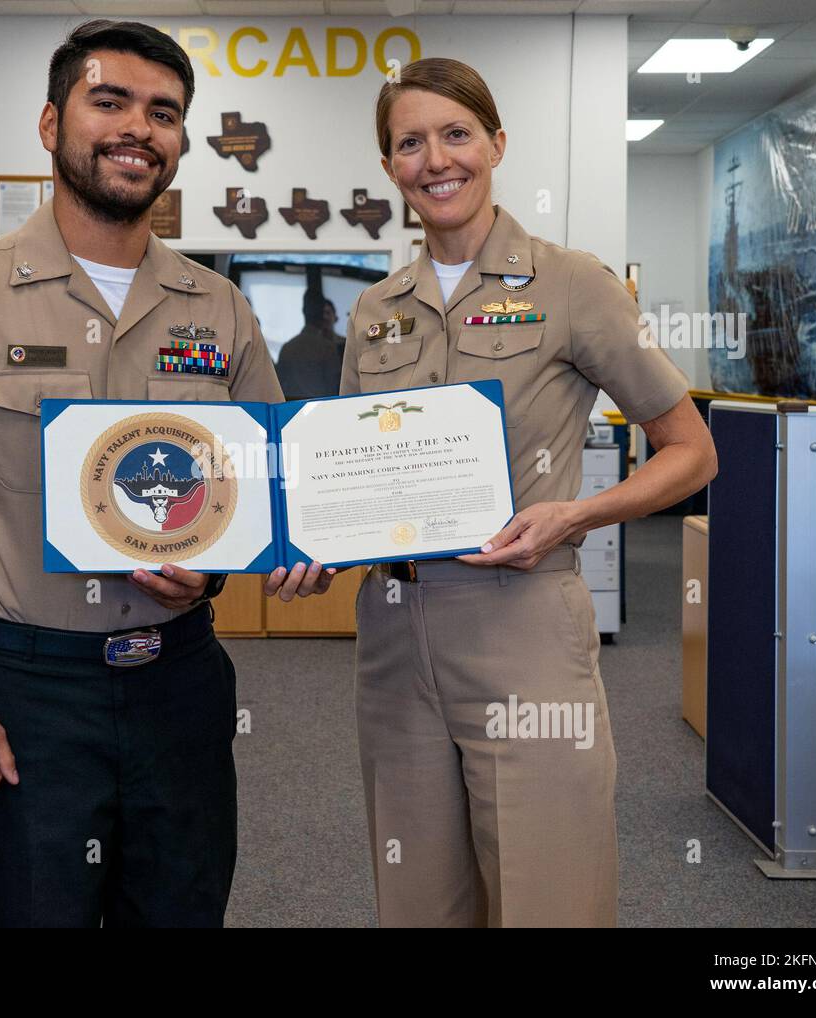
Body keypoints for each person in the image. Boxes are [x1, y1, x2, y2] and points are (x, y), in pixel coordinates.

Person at [0, 19, 283, 928]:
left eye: (163, 113)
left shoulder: (221, 306)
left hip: (182, 681)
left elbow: (262, 487)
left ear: (179, 142)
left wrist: (218, 566)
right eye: (110, 101)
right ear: (52, 124)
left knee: (182, 912)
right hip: (31, 692)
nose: (138, 128)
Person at [276, 58, 717, 927]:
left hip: (522, 625)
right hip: (395, 637)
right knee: (418, 901)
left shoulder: (571, 284)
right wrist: (319, 541)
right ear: (390, 166)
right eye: (410, 143)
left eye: (455, 133)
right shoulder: (378, 311)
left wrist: (580, 511)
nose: (435, 159)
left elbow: (691, 454)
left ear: (496, 145)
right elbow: (364, 470)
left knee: (546, 894)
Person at [275, 290, 343, 399]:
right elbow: (335, 390)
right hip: (323, 410)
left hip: (290, 412)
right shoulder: (328, 348)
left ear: (303, 311)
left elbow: (278, 389)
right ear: (321, 314)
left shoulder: (287, 348)